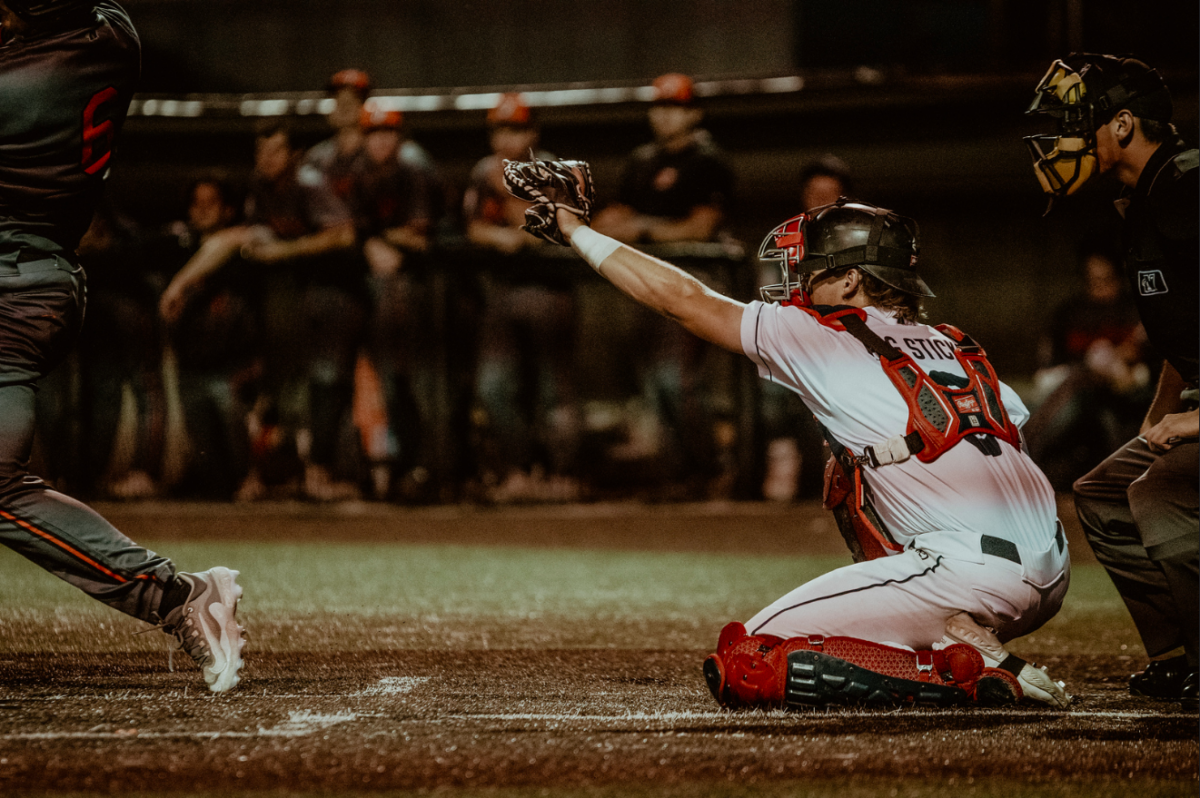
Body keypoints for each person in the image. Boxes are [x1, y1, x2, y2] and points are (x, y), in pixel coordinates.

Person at [503, 161, 1072, 708]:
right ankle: (951, 637)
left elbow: (680, 300)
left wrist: (577, 231)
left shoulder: (823, 333)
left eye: (816, 269)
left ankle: (966, 673)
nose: (799, 281)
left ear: (852, 281)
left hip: (967, 573)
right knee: (853, 470)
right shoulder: (957, 343)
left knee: (749, 658)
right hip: (1051, 571)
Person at [0, 0, 244, 691]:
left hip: (13, 291)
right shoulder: (110, 32)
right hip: (39, 278)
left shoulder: (24, 86)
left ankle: (174, 597)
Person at [1026, 54, 1198, 708]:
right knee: (1104, 492)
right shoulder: (1150, 199)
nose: (1067, 137)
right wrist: (1163, 410)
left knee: (1161, 498)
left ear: (1123, 125)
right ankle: (1177, 657)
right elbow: (1187, 327)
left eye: (1083, 122)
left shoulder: (1186, 189)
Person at [161, 120, 363, 502]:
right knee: (294, 395)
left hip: (335, 297)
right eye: (261, 151)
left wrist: (284, 251)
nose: (267, 159)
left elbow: (344, 234)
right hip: (295, 307)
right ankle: (306, 475)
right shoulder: (262, 189)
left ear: (294, 154)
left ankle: (332, 475)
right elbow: (232, 239)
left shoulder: (308, 182)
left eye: (276, 150)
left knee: (328, 386)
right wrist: (180, 284)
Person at [593, 73, 736, 498]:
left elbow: (701, 227)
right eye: (660, 106)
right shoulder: (642, 160)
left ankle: (708, 470)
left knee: (678, 381)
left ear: (694, 112)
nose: (666, 115)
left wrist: (643, 229)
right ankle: (679, 474)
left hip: (696, 283)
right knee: (655, 383)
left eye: (675, 107)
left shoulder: (708, 160)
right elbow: (612, 219)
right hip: (650, 282)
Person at [462, 94, 581, 502]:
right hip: (503, 291)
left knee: (554, 391)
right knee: (493, 388)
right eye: (500, 129)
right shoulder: (483, 171)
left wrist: (514, 221)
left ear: (532, 132)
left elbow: (561, 228)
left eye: (515, 129)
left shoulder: (557, 169)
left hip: (551, 290)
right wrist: (501, 236)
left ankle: (562, 474)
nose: (506, 139)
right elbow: (475, 228)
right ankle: (519, 470)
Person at [155, 177, 259, 500]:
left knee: (237, 441)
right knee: (205, 454)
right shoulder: (178, 248)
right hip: (191, 366)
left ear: (227, 208)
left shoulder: (242, 250)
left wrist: (179, 285)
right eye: (196, 203)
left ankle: (251, 488)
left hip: (232, 365)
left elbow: (230, 242)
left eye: (210, 203)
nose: (202, 210)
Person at [760, 155, 855, 502]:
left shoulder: (856, 238)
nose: (820, 200)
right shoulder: (787, 239)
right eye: (814, 192)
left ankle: (846, 484)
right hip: (794, 341)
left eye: (829, 193)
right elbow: (767, 295)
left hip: (843, 344)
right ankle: (789, 484)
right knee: (775, 402)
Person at [352, 105, 434, 500]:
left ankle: (417, 470)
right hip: (363, 298)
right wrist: (372, 240)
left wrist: (380, 238)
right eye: (373, 133)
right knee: (371, 385)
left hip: (413, 297)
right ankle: (380, 472)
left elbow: (419, 239)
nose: (380, 140)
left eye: (387, 133)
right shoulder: (355, 175)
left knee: (408, 383)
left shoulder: (413, 172)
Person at [1024, 246, 1151, 489]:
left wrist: (1130, 369)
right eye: (1093, 280)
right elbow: (1047, 371)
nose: (1100, 288)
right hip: (1078, 392)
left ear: (1119, 276)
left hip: (1130, 392)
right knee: (1062, 400)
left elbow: (1157, 365)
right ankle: (1025, 466)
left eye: (1107, 279)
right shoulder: (1070, 313)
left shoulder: (1136, 310)